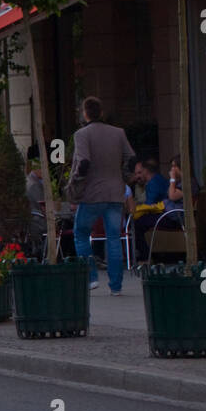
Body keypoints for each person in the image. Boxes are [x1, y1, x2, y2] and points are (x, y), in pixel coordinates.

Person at [71, 96, 135, 295]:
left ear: (85, 113)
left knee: (81, 234)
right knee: (114, 238)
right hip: (115, 192)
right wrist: (123, 177)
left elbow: (83, 163)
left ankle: (91, 277)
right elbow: (131, 159)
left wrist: (75, 184)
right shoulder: (119, 133)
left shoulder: (82, 135)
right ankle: (116, 286)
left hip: (92, 193)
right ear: (101, 112)